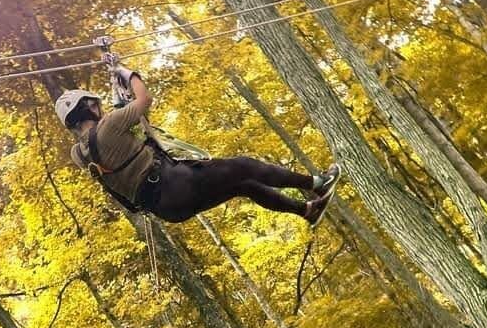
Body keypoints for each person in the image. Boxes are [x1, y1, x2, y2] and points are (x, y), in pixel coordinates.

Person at [56, 64, 341, 224]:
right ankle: (317, 183)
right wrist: (128, 74)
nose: (100, 108)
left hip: (168, 209)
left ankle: (307, 211)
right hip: (175, 183)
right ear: (88, 108)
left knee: (243, 186)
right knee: (244, 166)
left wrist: (121, 106)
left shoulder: (79, 154)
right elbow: (144, 99)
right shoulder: (109, 125)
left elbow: (122, 138)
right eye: (95, 104)